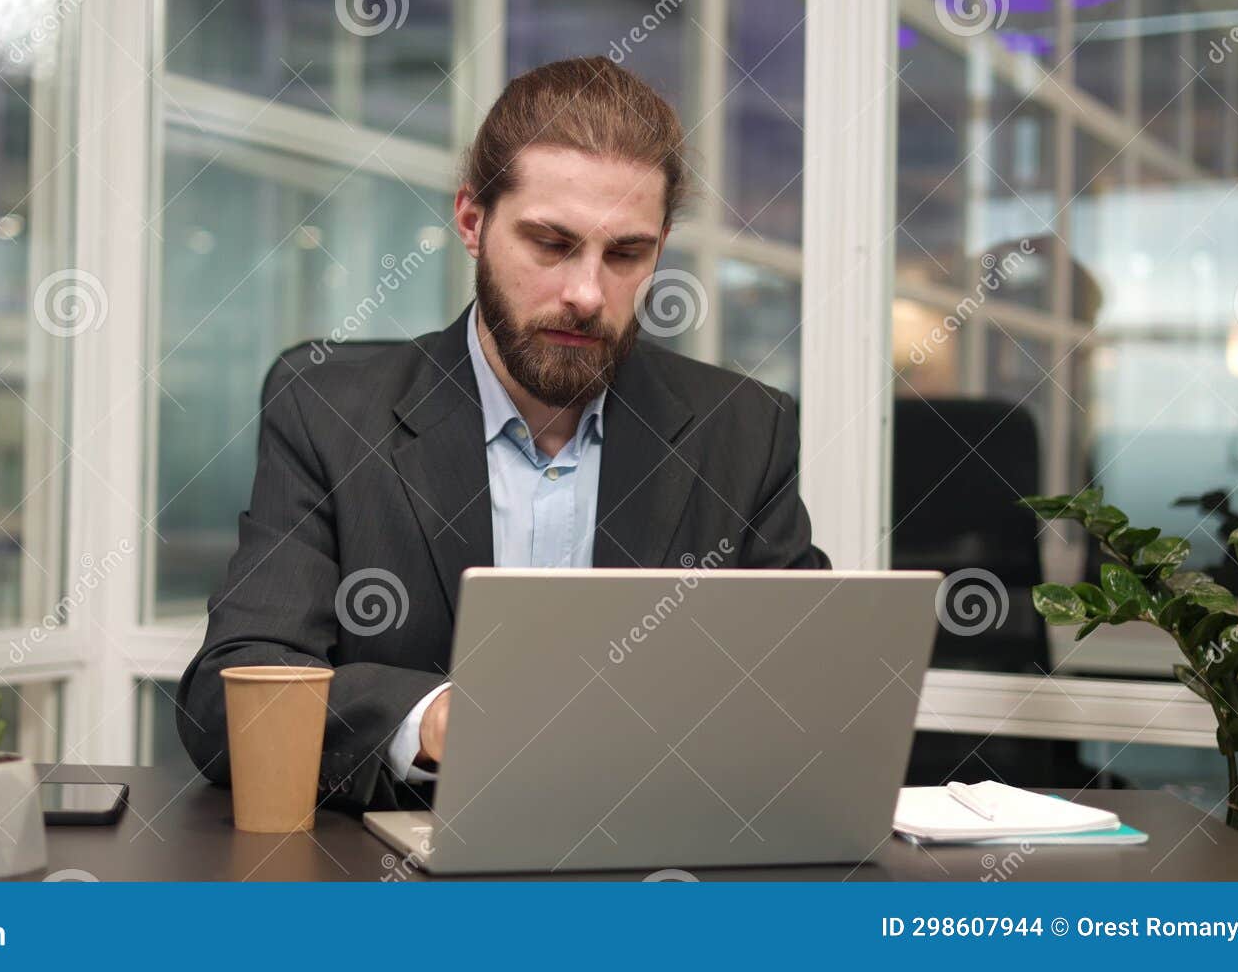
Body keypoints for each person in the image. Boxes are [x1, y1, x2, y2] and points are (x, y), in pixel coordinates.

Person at [176, 55, 827, 811]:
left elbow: (805, 697)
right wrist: (435, 722)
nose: (587, 293)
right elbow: (234, 697)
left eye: (626, 254)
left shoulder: (744, 433)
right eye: (551, 244)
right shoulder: (328, 414)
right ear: (472, 222)